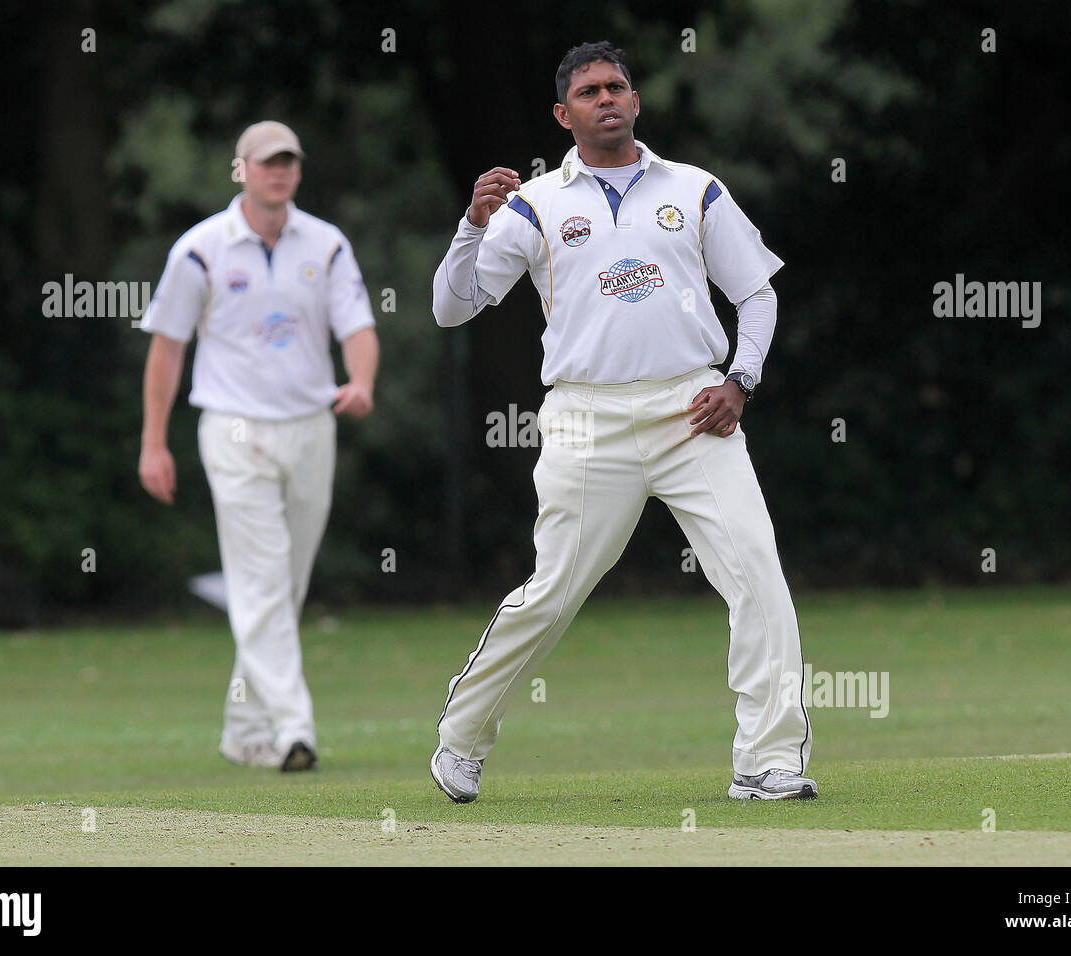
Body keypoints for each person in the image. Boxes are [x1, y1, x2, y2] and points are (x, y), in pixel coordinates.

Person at [428, 42, 814, 803]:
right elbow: (453, 306)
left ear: (635, 101)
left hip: (694, 410)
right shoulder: (537, 203)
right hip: (584, 418)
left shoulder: (695, 189)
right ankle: (463, 737)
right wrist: (472, 226)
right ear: (562, 114)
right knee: (555, 591)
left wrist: (741, 379)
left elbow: (758, 294)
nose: (606, 99)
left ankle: (768, 761)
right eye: (588, 91)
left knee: (757, 575)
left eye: (617, 87)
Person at [138, 121, 379, 772]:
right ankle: (294, 729)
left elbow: (357, 325)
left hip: (310, 427)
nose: (279, 172)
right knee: (264, 578)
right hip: (233, 427)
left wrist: (360, 381)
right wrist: (153, 443)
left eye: (289, 162)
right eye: (267, 162)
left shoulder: (325, 244)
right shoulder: (201, 249)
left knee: (281, 584)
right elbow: (168, 347)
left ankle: (243, 731)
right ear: (241, 169)